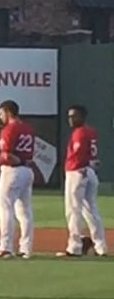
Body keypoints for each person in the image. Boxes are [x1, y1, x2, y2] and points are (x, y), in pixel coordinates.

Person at [61, 103, 106, 258]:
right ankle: (101, 247)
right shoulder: (91, 131)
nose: (70, 119)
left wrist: (79, 169)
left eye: (74, 116)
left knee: (73, 210)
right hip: (90, 171)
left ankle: (74, 247)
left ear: (82, 117)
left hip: (78, 171)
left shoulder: (79, 133)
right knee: (91, 210)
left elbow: (78, 154)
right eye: (69, 116)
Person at [0, 99, 38, 258]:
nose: (0, 117)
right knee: (25, 211)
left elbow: (6, 154)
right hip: (27, 171)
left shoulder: (9, 129)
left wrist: (12, 160)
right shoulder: (28, 129)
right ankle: (26, 248)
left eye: (1, 113)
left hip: (12, 171)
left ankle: (6, 247)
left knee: (6, 208)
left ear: (8, 112)